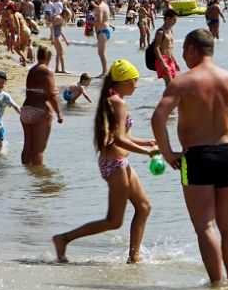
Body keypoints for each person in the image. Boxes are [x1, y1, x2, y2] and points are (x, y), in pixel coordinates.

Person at [151, 29, 228, 285]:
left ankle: (216, 285)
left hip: (196, 157)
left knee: (206, 226)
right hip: (226, 154)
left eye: (183, 51)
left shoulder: (182, 82)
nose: (183, 56)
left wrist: (168, 153)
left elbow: (158, 116)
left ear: (192, 50)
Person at [53, 60, 157, 264]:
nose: (136, 85)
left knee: (144, 207)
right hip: (114, 164)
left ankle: (134, 257)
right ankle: (63, 239)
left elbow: (122, 135)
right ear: (125, 81)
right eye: (134, 81)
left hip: (120, 163)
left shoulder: (113, 99)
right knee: (114, 221)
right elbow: (118, 139)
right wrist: (147, 153)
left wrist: (146, 141)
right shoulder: (118, 102)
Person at [21, 45, 63, 166]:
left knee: (28, 146)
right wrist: (59, 113)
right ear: (48, 56)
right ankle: (39, 178)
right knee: (38, 149)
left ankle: (26, 175)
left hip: (25, 111)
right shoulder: (46, 71)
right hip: (39, 112)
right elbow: (51, 95)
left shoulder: (32, 70)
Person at [93, 0, 112, 77]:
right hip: (105, 30)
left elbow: (99, 21)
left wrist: (90, 22)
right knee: (101, 52)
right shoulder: (105, 5)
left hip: (103, 31)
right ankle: (105, 71)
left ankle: (105, 71)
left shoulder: (100, 7)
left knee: (101, 52)